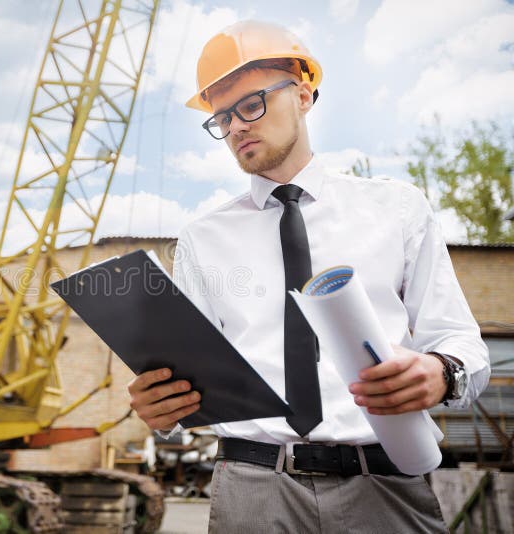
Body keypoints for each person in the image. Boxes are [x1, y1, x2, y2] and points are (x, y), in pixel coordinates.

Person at [127, 20, 490, 533]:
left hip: (383, 484)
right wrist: (163, 409)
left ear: (302, 94)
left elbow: (463, 346)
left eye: (250, 105)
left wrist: (441, 373)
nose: (235, 127)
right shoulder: (201, 239)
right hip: (253, 487)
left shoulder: (397, 210)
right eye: (222, 118)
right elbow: (193, 381)